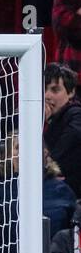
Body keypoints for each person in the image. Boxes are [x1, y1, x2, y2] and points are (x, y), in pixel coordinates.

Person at [45, 62, 81, 197]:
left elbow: (55, 156)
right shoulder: (37, 118)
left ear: (71, 92)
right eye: (43, 89)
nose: (47, 95)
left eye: (55, 90)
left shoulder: (76, 116)